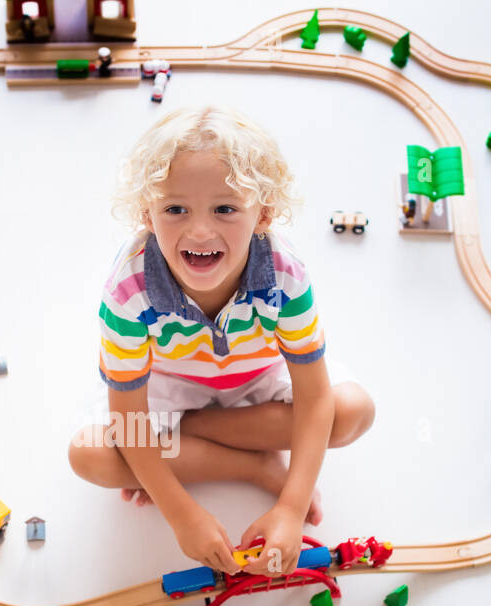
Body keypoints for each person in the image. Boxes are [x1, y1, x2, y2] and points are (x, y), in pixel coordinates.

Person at [68, 105, 375, 577]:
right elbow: (127, 416)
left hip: (258, 378)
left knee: (354, 412)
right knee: (88, 456)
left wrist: (291, 510)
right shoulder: (127, 289)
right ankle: (248, 466)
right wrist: (181, 513)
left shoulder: (285, 274)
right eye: (175, 209)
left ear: (263, 214)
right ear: (146, 213)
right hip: (169, 386)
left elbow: (315, 400)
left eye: (225, 209)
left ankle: (192, 432)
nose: (200, 231)